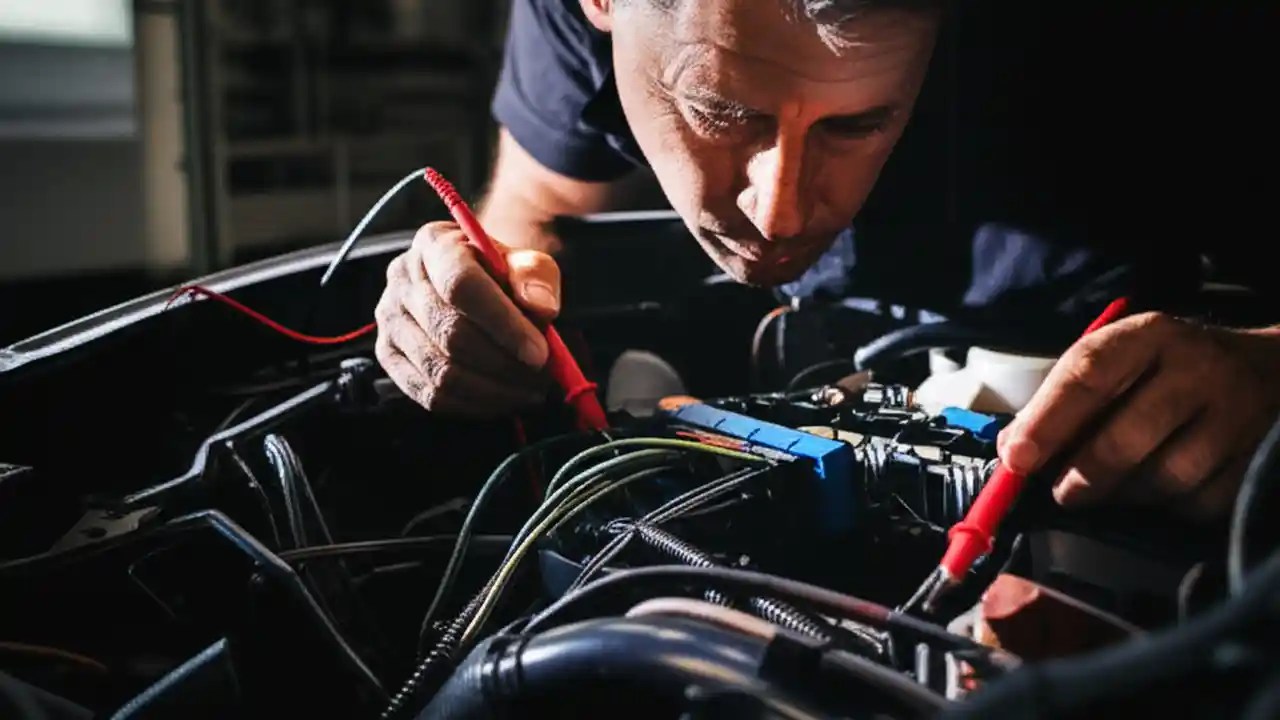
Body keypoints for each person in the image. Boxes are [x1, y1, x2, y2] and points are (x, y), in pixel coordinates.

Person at [373, 0, 1280, 522]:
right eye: (724, 114)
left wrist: (1266, 370)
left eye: (856, 123)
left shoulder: (1179, 29)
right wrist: (474, 297)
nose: (779, 208)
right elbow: (540, 212)